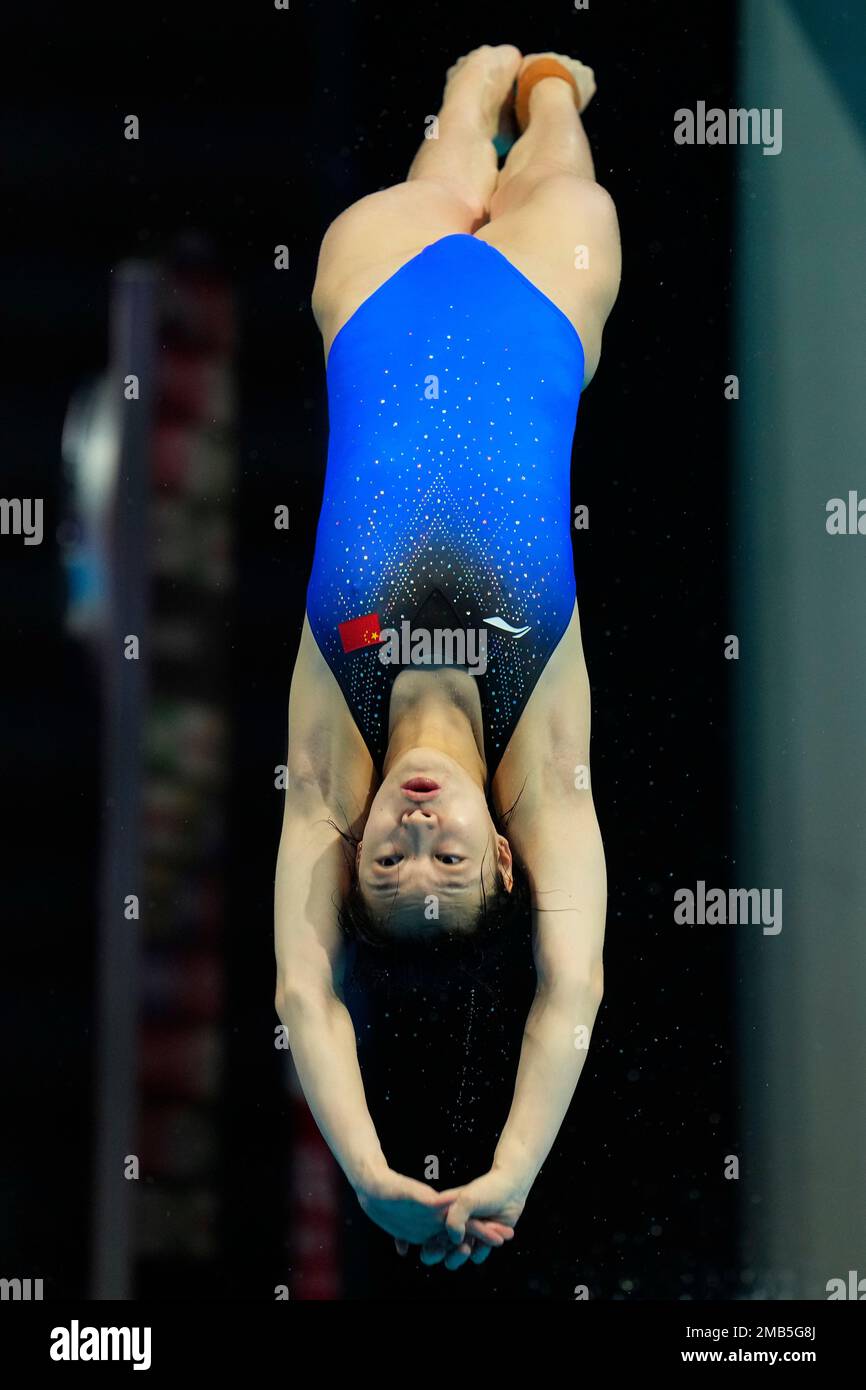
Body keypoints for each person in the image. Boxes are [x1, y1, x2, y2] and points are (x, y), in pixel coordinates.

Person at [274, 45, 621, 1272]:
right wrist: (510, 1169)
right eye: (452, 856)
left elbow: (306, 997)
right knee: (557, 162)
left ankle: (471, 91)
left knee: (446, 148)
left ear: (351, 845)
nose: (415, 826)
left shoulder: (327, 762)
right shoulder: (546, 764)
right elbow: (569, 992)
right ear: (511, 860)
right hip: (541, 313)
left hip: (375, 297)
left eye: (388, 856)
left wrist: (367, 1170)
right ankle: (544, 94)